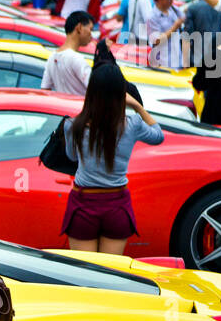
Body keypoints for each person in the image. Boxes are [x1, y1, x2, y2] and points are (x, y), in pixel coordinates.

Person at [61, 56, 164, 254]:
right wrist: (137, 106)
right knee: (110, 274)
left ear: (91, 92)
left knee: (82, 272)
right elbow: (158, 135)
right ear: (121, 93)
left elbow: (72, 158)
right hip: (117, 204)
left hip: (83, 203)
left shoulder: (73, 126)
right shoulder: (132, 124)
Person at [43, 11, 95, 95]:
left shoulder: (52, 57)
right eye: (90, 29)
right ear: (79, 27)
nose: (91, 35)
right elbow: (96, 89)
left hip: (61, 107)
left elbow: (45, 90)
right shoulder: (76, 59)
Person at [146, 0, 185, 68]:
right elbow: (156, 40)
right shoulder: (152, 17)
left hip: (179, 60)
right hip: (164, 63)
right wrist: (174, 27)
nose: (172, 0)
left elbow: (184, 18)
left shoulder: (174, 10)